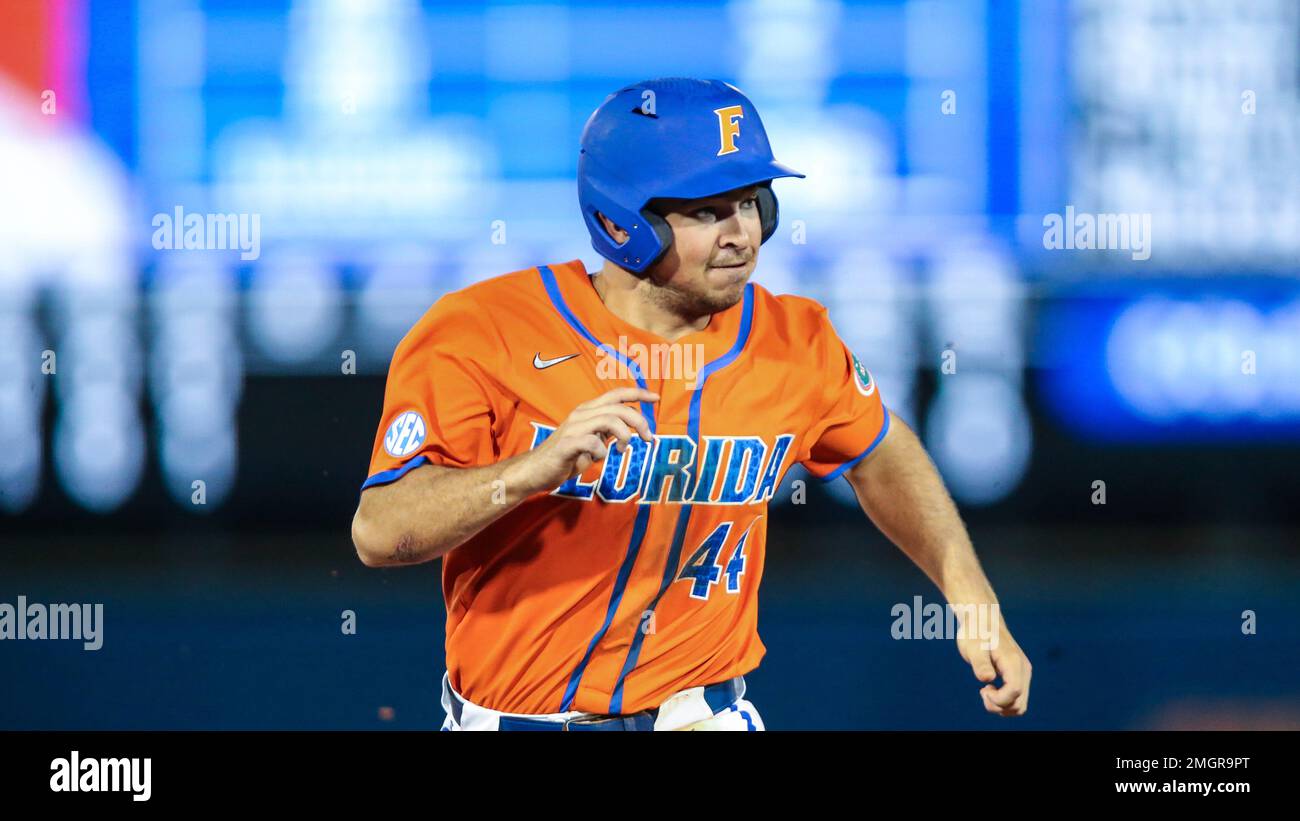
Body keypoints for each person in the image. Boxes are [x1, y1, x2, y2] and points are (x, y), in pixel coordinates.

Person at [351, 77, 1031, 730]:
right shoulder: (485, 330)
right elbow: (380, 532)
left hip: (703, 715)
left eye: (751, 202)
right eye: (707, 211)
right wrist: (530, 470)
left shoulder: (793, 341)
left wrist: (969, 592)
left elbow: (881, 454)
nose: (742, 233)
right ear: (623, 223)